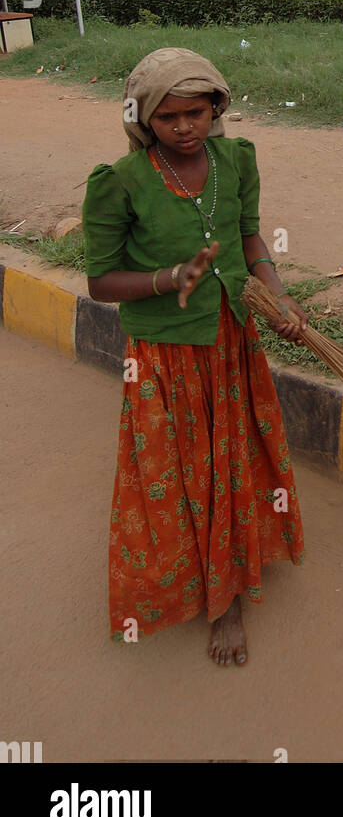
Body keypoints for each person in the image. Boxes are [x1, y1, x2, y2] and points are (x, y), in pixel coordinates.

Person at [82, 46, 308, 667]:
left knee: (231, 461)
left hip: (232, 338)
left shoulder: (235, 161)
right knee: (182, 472)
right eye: (167, 117)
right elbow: (101, 281)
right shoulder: (119, 184)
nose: (185, 127)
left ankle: (231, 578)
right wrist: (168, 277)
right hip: (167, 355)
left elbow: (249, 236)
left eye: (197, 112)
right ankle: (215, 599)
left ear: (217, 108)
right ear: (143, 120)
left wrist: (279, 295)